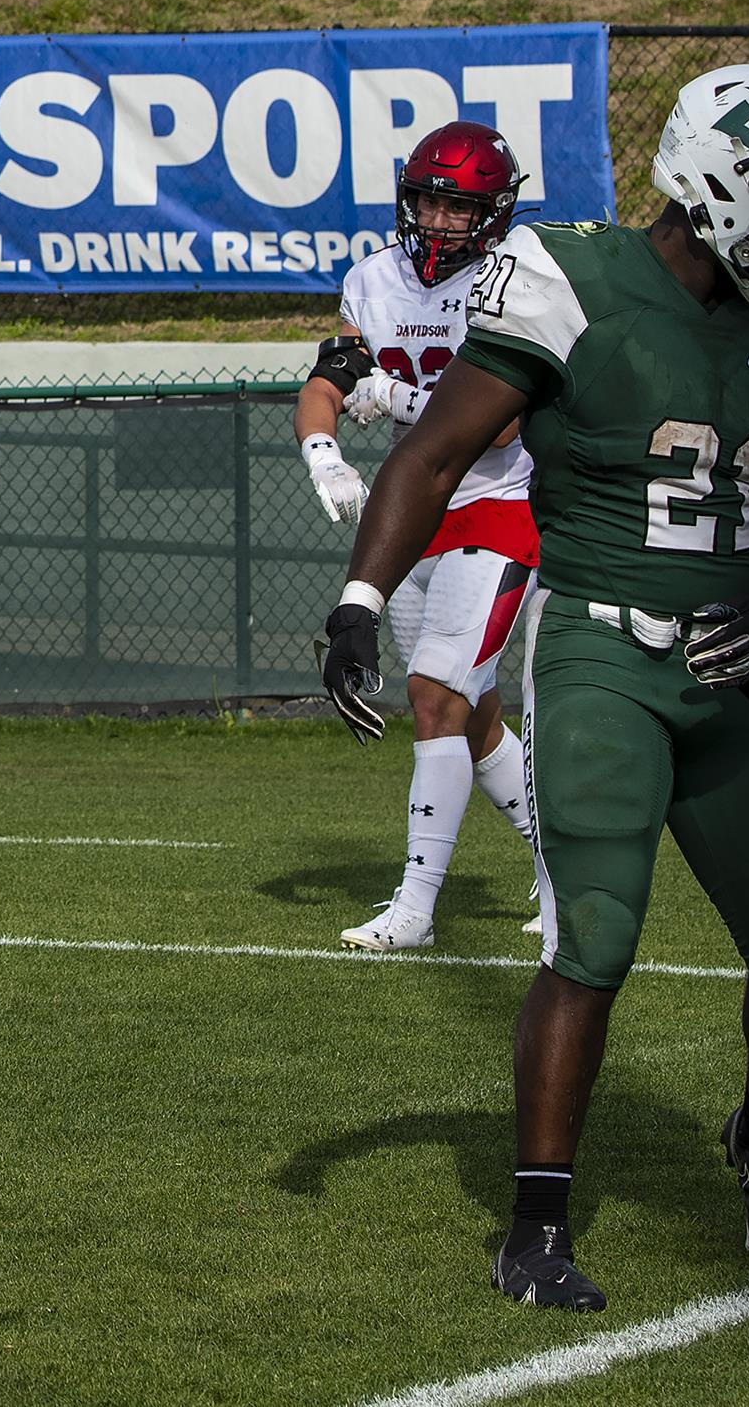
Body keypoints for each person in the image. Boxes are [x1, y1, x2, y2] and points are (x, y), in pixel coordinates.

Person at [324, 65, 749, 1315]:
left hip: (742, 665)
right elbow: (435, 450)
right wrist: (359, 600)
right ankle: (537, 1222)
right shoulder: (569, 279)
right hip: (605, 649)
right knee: (594, 936)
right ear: (723, 188)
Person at [297, 120, 542, 952]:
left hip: (498, 504)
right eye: (427, 203)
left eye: (457, 207)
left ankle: (416, 906)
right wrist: (325, 456)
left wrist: (398, 399)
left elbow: (501, 426)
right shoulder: (373, 279)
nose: (438, 221)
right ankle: (561, 863)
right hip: (414, 514)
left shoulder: (516, 281)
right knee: (469, 714)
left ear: (493, 213)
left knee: (436, 695)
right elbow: (328, 380)